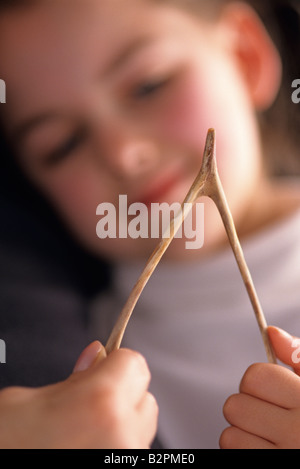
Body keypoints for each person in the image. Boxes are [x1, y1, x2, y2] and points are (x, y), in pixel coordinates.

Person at [0, 0, 300, 449]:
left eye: (148, 86)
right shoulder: (73, 376)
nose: (123, 154)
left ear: (245, 56)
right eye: (62, 144)